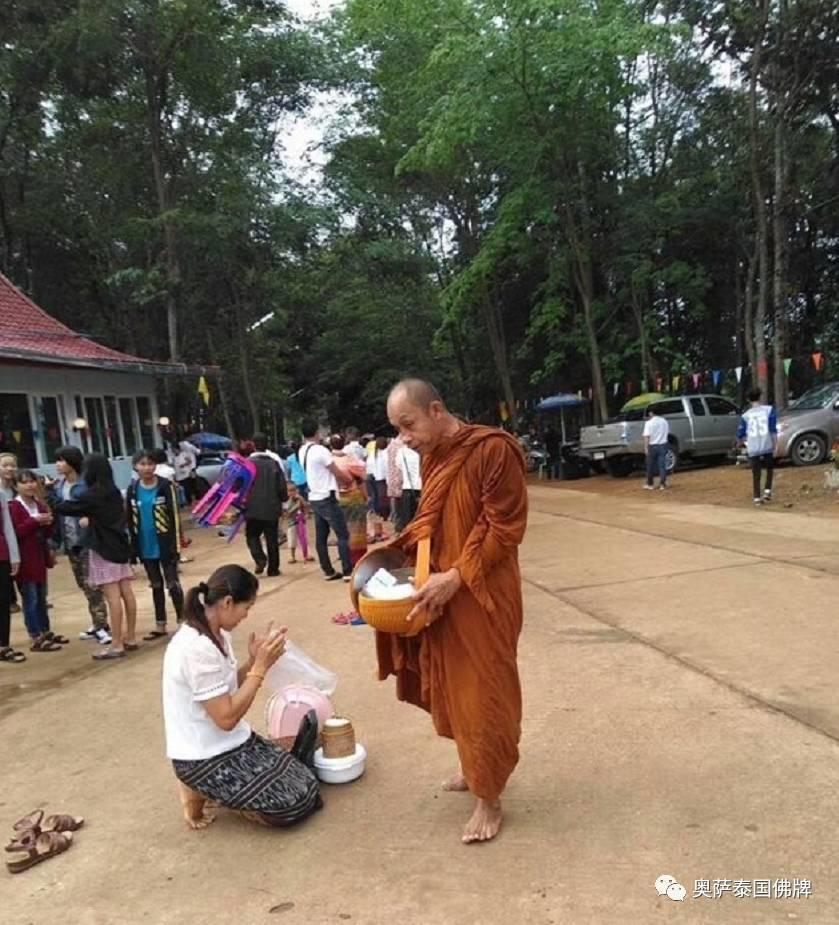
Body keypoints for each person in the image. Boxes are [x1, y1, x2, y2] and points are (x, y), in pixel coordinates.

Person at [382, 379, 528, 844]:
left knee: (485, 687)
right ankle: (472, 767)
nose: (405, 437)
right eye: (398, 430)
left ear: (437, 409)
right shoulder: (434, 456)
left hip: (483, 591)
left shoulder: (492, 450)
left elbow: (503, 529)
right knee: (455, 684)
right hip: (443, 586)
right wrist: (403, 553)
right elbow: (434, 515)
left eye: (408, 425)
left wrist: (456, 577)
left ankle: (490, 797)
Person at [162, 564, 321, 830]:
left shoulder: (217, 634)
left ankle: (221, 791)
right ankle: (198, 787)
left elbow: (224, 688)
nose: (246, 616)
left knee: (308, 784)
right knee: (292, 805)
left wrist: (251, 662)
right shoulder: (195, 649)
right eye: (246, 608)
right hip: (205, 755)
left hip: (233, 743)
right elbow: (226, 718)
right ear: (227, 603)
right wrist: (260, 667)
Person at [52, 454, 137, 661]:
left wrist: (48, 494)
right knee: (126, 592)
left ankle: (116, 644)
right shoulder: (114, 491)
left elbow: (65, 508)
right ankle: (131, 638)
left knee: (112, 597)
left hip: (103, 548)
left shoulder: (91, 495)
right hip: (119, 546)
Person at [50, 446, 111, 644]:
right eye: (56, 461)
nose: (58, 465)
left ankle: (103, 626)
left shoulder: (85, 484)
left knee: (92, 584)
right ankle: (97, 622)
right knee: (83, 585)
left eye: (61, 460)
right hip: (71, 542)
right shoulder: (59, 486)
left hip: (88, 541)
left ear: (72, 462)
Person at [126, 450, 184, 638]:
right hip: (145, 545)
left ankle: (183, 622)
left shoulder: (165, 486)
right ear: (135, 466)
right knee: (156, 584)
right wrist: (133, 548)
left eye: (150, 464)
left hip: (165, 544)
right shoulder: (133, 489)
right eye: (142, 464)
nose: (147, 468)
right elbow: (129, 518)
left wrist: (176, 546)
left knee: (173, 584)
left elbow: (174, 516)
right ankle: (160, 624)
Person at [10, 471, 64, 652]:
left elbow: (47, 533)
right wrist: (34, 521)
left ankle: (45, 630)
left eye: (32, 481)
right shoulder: (14, 507)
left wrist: (48, 521)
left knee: (41, 596)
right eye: (24, 482)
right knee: (30, 598)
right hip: (24, 558)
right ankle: (35, 635)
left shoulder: (39, 504)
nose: (29, 485)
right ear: (16, 486)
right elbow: (16, 532)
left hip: (39, 557)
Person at [298, 420, 353, 582]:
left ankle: (328, 570)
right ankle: (347, 570)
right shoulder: (320, 451)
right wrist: (348, 480)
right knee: (343, 534)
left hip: (314, 496)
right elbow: (336, 471)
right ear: (316, 432)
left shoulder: (302, 451)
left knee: (321, 537)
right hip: (327, 496)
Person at [243, 433, 288, 577]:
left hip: (252, 507)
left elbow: (240, 485)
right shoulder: (273, 463)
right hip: (271, 507)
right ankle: (273, 569)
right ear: (267, 445)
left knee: (252, 535)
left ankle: (260, 558)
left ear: (253, 445)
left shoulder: (247, 464)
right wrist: (284, 502)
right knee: (272, 538)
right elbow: (281, 486)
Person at [330, 434, 368, 566]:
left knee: (342, 530)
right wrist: (365, 496)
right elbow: (362, 478)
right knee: (357, 529)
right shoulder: (351, 460)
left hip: (336, 498)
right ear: (344, 443)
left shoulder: (328, 460)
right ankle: (358, 560)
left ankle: (345, 557)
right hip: (353, 497)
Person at [737, 388, 778, 505]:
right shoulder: (769, 410)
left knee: (756, 472)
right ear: (760, 397)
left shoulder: (746, 415)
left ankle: (756, 497)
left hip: (753, 446)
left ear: (748, 400)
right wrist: (775, 443)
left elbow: (741, 434)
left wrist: (744, 442)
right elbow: (772, 429)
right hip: (766, 443)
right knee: (769, 468)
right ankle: (767, 491)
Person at [0, 489, 21, 662]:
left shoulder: (0, 494)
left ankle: (3, 645)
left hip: (1, 554)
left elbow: (7, 526)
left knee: (3, 600)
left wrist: (14, 556)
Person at [1, 453, 21, 615]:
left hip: (21, 533)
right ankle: (11, 600)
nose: (9, 469)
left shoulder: (19, 488)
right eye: (5, 465)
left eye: (12, 465)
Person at [395, 441, 422, 533]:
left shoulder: (401, 451)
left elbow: (398, 466)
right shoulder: (422, 451)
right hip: (422, 486)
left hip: (407, 487)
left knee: (408, 518)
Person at [284, 483, 313, 564]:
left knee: (304, 539)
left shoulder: (299, 498)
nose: (292, 493)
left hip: (301, 522)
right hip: (291, 524)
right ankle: (292, 556)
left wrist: (301, 500)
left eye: (293, 490)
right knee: (292, 541)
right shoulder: (286, 501)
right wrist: (296, 506)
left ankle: (307, 554)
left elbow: (306, 506)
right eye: (289, 491)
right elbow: (287, 514)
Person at [643, 406, 670, 490]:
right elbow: (667, 433)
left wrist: (646, 447)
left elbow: (647, 436)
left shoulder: (649, 423)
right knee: (662, 465)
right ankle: (663, 483)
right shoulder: (664, 421)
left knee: (650, 465)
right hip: (663, 444)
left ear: (651, 413)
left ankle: (650, 484)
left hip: (652, 445)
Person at [172, 437, 200, 505]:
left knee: (190, 487)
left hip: (186, 474)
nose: (173, 451)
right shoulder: (174, 457)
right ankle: (188, 501)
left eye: (174, 450)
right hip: (179, 475)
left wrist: (183, 465)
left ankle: (194, 500)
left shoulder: (184, 454)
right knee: (184, 489)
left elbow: (189, 461)